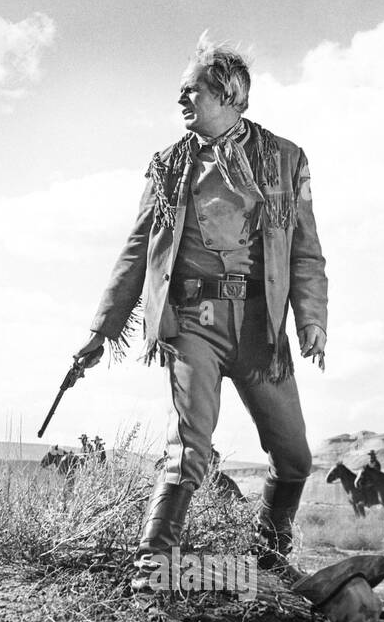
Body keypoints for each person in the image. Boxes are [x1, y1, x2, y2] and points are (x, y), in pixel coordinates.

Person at [73, 35, 327, 589]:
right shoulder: (168, 167)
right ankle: (153, 562)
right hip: (193, 320)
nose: (181, 99)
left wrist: (311, 319)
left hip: (261, 325)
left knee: (294, 455)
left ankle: (268, 564)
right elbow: (137, 249)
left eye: (191, 90)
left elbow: (306, 250)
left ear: (229, 95)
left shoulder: (286, 160)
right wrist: (102, 329)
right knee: (190, 444)